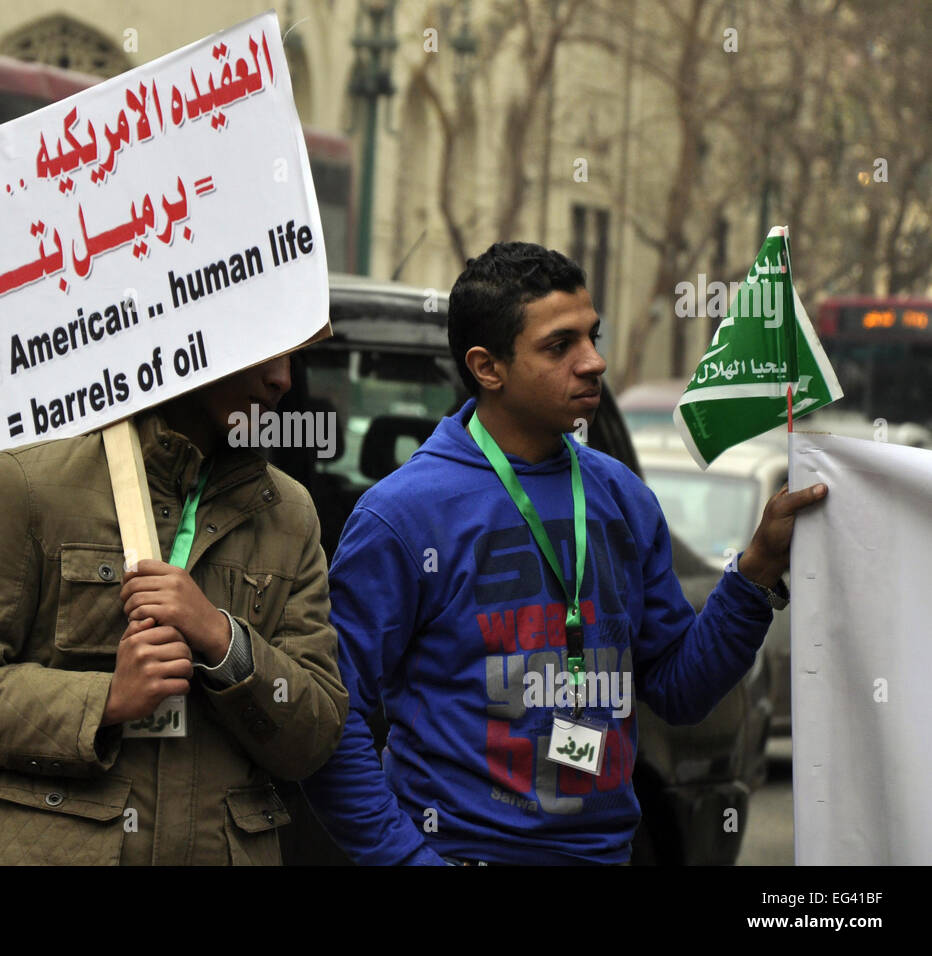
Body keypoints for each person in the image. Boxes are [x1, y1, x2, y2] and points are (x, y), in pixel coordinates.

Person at [301, 242, 826, 865]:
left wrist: (759, 568)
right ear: (487, 367)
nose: (594, 362)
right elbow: (331, 723)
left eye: (592, 337)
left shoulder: (620, 496)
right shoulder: (402, 515)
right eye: (560, 346)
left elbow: (680, 692)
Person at [0, 355, 348, 865]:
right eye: (265, 352)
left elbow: (314, 736)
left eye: (293, 357)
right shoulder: (27, 484)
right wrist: (107, 699)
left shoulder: (288, 514)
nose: (282, 380)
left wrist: (225, 643)